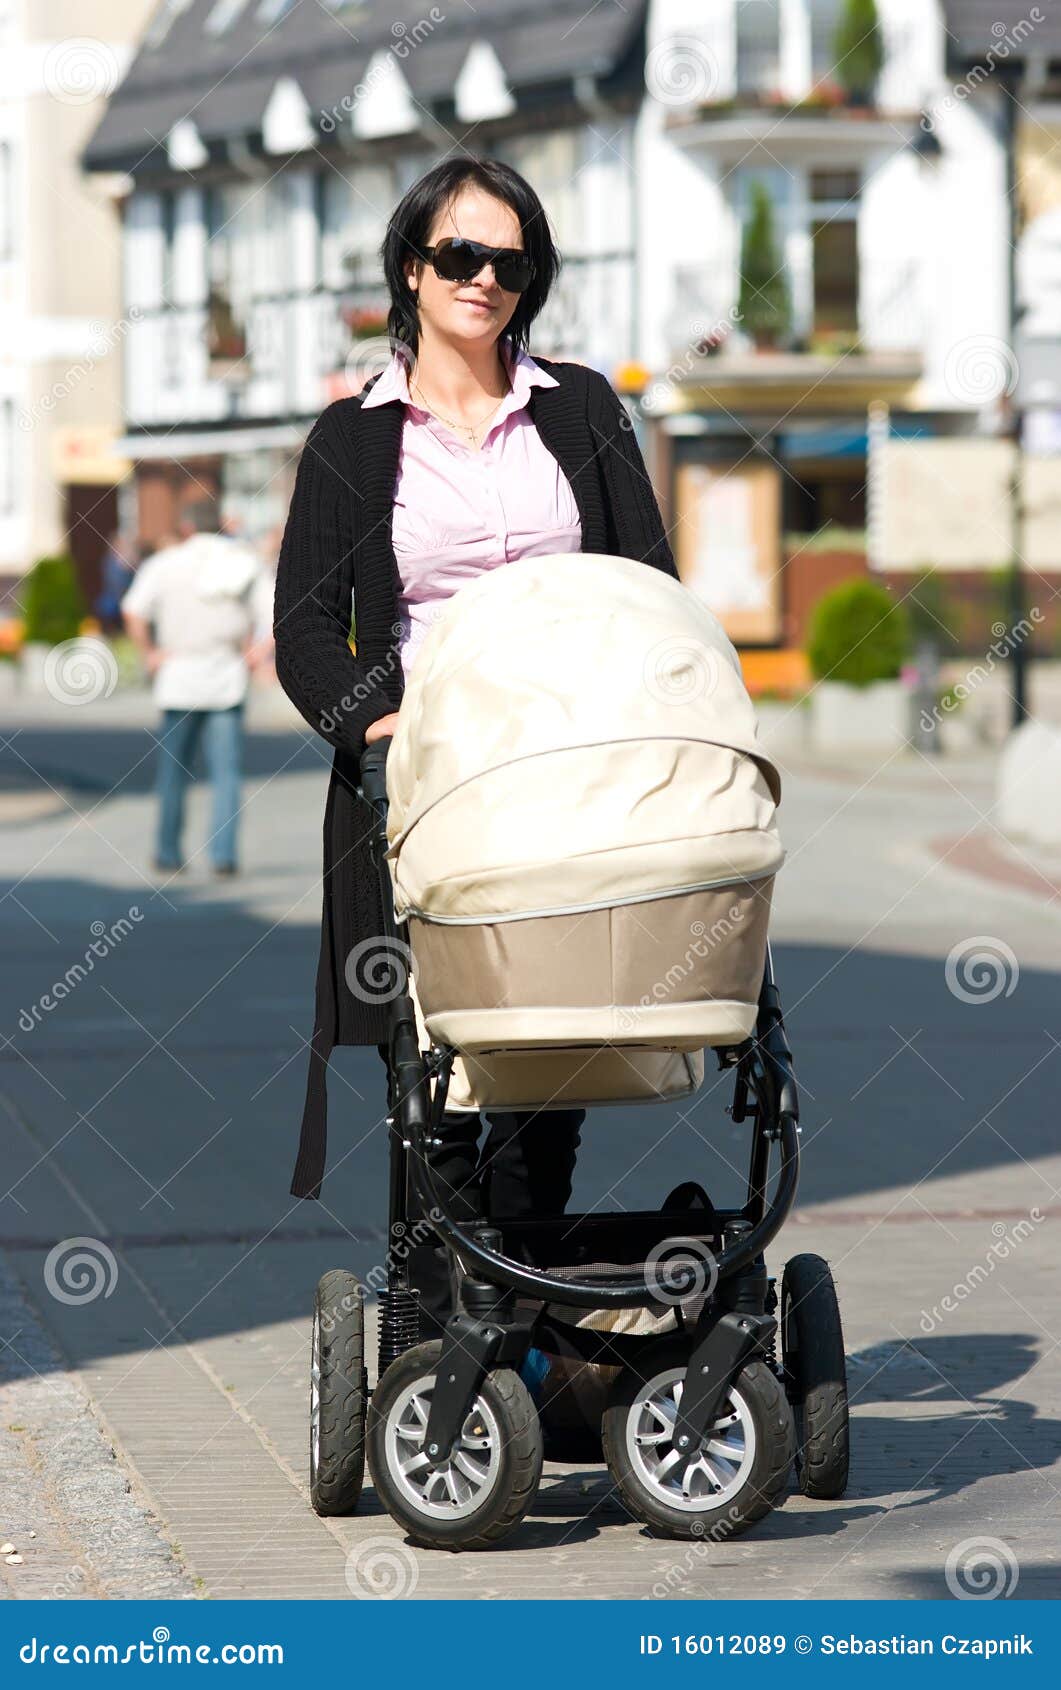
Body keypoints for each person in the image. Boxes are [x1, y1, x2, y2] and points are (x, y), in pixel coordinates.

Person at [273, 156, 677, 1337]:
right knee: (437, 1056)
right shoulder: (351, 442)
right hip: (430, 781)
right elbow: (304, 624)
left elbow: (644, 577)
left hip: (573, 769)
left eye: (511, 262)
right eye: (461, 256)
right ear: (412, 268)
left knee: (553, 1034)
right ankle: (432, 1303)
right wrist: (378, 725)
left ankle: (527, 1282)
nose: (486, 279)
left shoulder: (584, 408)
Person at [122, 500, 274, 877]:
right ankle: (223, 856)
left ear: (187, 527)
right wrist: (258, 652)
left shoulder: (164, 563)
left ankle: (168, 852)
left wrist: (150, 652)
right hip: (226, 674)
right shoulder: (242, 561)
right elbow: (275, 612)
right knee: (226, 773)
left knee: (173, 772)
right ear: (221, 525)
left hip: (179, 674)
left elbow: (132, 610)